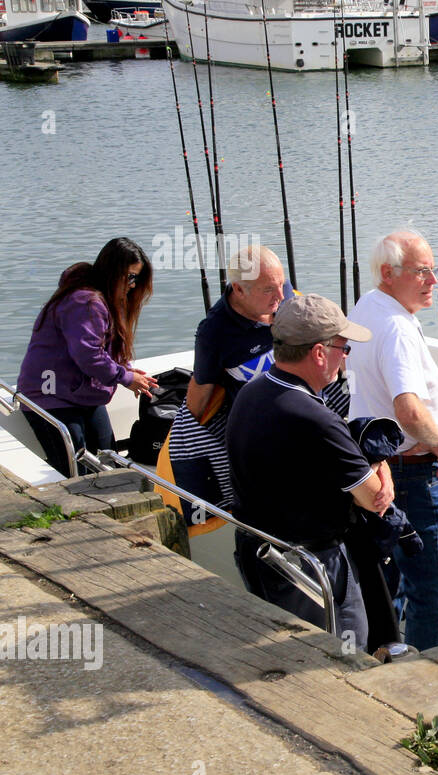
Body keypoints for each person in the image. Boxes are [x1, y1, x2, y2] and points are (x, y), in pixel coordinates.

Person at [226, 293, 392, 650]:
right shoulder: (317, 419)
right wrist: (379, 460)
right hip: (313, 566)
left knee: (291, 655)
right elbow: (374, 499)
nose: (344, 361)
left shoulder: (250, 394)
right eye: (343, 350)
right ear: (319, 353)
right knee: (345, 658)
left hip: (260, 556)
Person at [347, 230, 438, 651]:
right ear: (389, 274)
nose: (433, 280)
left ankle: (386, 658)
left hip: (378, 469)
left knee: (386, 581)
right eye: (422, 271)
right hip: (412, 474)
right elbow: (407, 408)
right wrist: (437, 441)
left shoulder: (367, 308)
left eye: (434, 269)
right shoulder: (397, 329)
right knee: (430, 586)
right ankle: (427, 678)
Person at [166, 245, 292, 523]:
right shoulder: (214, 332)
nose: (281, 296)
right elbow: (198, 398)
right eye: (269, 290)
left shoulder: (283, 294)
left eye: (282, 285)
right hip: (258, 442)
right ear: (238, 289)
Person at [17, 237, 158, 476]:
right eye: (131, 277)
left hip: (82, 394)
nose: (133, 285)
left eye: (137, 278)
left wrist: (128, 370)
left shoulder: (104, 300)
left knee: (107, 460)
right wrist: (124, 377)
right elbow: (89, 355)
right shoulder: (84, 302)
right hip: (50, 395)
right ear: (114, 272)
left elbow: (107, 349)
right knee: (77, 470)